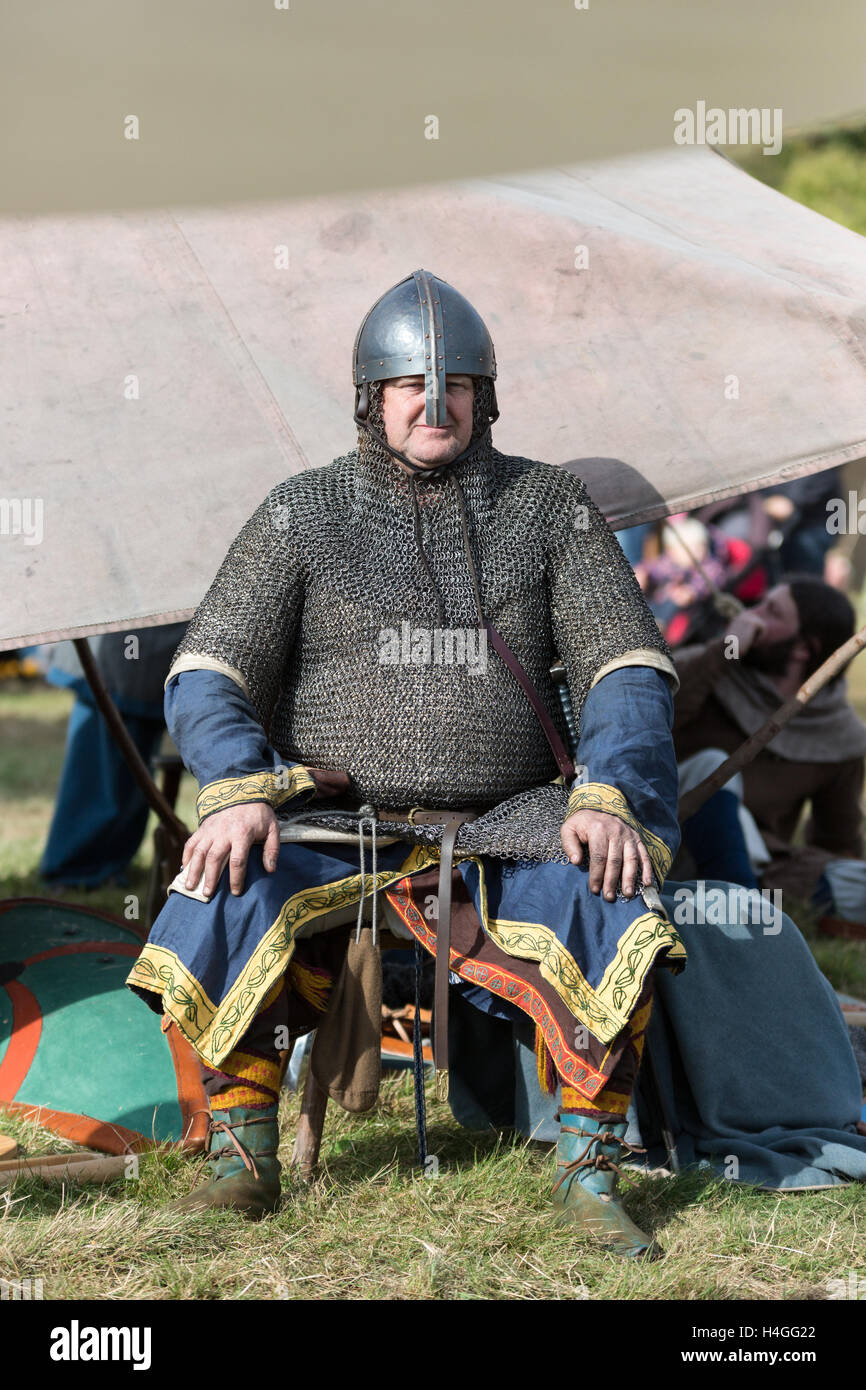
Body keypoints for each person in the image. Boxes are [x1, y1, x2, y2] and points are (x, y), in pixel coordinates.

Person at [126, 270, 684, 1257]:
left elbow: (623, 670)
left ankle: (590, 1166)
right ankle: (242, 1158)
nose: (436, 402)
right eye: (410, 385)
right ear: (368, 399)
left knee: (606, 885)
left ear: (487, 396)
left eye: (458, 383)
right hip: (338, 824)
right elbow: (207, 673)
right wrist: (235, 789)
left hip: (511, 815)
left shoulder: (548, 507)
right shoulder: (301, 513)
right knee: (224, 880)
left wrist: (605, 793)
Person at [673, 577, 866, 914]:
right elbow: (655, 712)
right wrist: (726, 648)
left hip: (762, 864)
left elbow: (837, 841)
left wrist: (819, 874)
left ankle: (749, 896)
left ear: (804, 648)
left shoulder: (841, 734)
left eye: (771, 611)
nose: (752, 615)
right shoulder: (714, 666)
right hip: (671, 834)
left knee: (856, 881)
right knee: (715, 766)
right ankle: (746, 919)